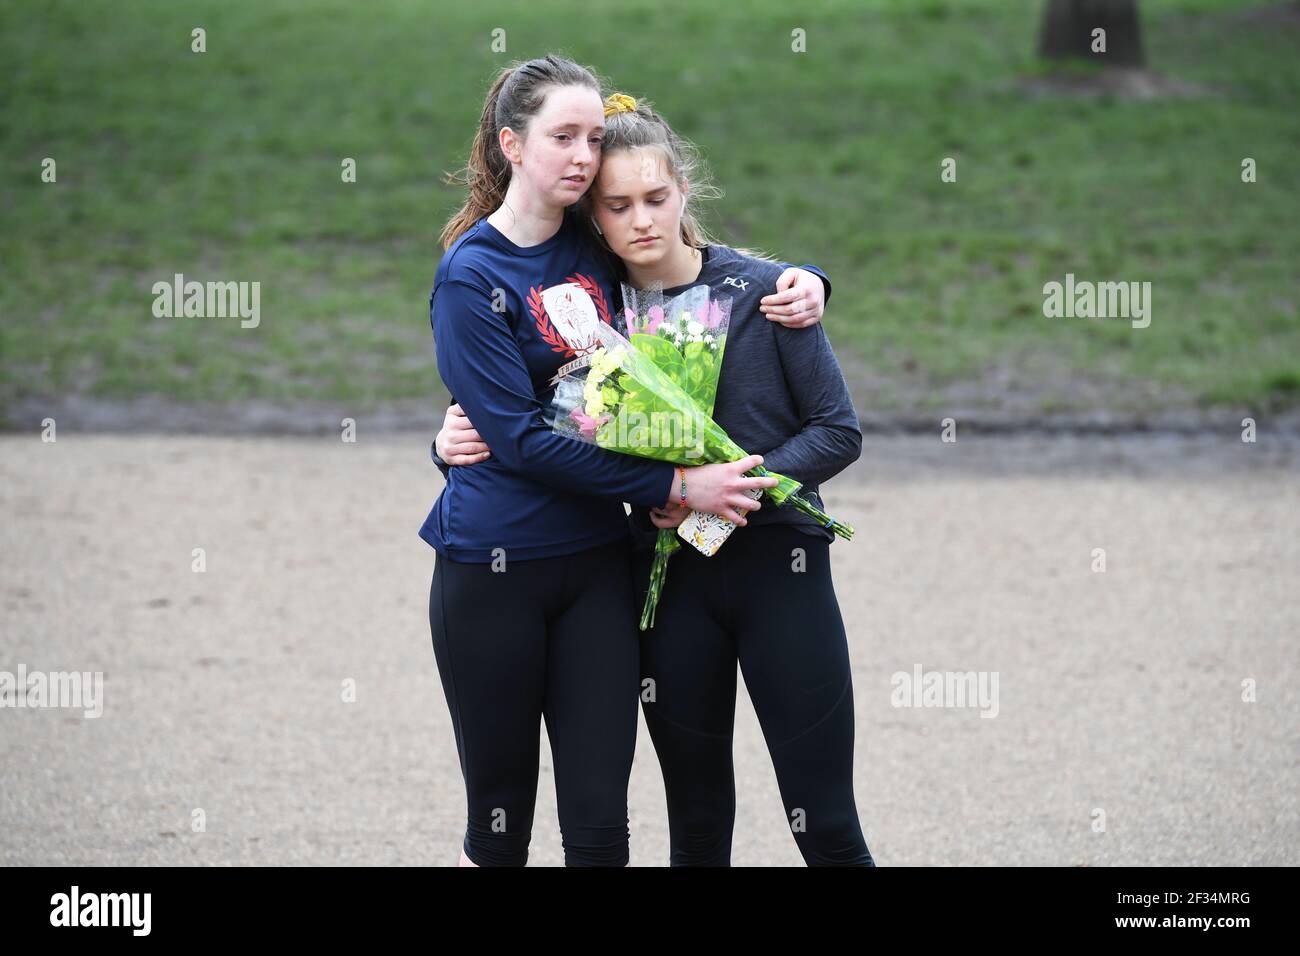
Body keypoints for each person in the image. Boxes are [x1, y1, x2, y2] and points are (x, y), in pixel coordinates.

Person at [437, 90, 874, 866]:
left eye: (656, 198)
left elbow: (838, 431)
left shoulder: (766, 295)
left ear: (683, 193)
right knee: (697, 825)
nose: (640, 219)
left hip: (782, 564)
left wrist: (738, 485)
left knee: (826, 823)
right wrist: (446, 440)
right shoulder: (593, 308)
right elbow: (526, 412)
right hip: (667, 583)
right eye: (617, 205)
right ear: (592, 219)